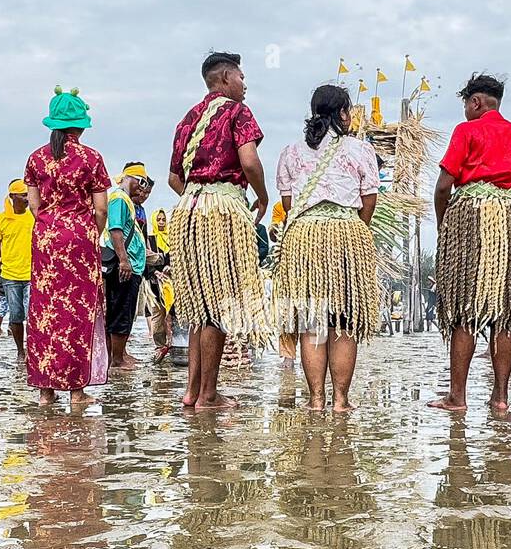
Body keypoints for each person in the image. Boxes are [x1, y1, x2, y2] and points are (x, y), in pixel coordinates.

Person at [168, 51, 271, 409]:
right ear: (226, 77)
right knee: (217, 304)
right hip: (221, 212)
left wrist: (198, 197)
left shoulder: (188, 118)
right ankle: (209, 395)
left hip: (188, 212)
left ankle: (192, 391)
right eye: (242, 77)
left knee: (198, 305)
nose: (246, 84)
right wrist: (262, 195)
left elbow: (172, 178)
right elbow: (249, 160)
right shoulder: (237, 112)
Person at [430, 73, 511, 413]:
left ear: (475, 103)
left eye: (466, 104)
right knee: (505, 315)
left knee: (464, 310)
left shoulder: (467, 131)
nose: (465, 110)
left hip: (469, 220)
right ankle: (500, 398)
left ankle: (457, 398)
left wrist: (444, 224)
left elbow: (444, 186)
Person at [272, 82, 381, 412]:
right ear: (344, 114)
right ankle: (341, 401)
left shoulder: (291, 152)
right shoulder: (360, 150)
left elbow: (289, 203)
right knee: (343, 320)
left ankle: (316, 400)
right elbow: (369, 200)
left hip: (304, 239)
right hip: (346, 234)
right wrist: (352, 231)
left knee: (313, 320)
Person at [25, 86, 111, 406]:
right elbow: (101, 209)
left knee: (46, 311)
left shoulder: (35, 159)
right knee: (78, 311)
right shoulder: (92, 159)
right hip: (80, 239)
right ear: (80, 125)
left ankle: (46, 392)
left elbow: (35, 208)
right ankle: (77, 392)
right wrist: (89, 231)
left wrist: (53, 224)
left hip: (46, 240)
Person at [104, 164, 151, 369]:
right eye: (141, 184)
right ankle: (116, 359)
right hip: (124, 265)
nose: (142, 190)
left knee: (125, 310)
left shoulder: (127, 201)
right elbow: (115, 229)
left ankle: (119, 354)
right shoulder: (118, 198)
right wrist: (124, 260)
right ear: (133, 180)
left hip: (132, 264)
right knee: (120, 310)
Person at [0, 178, 35, 364]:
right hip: (10, 275)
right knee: (16, 315)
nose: (27, 198)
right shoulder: (0, 219)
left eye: (28, 194)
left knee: (33, 315)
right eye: (23, 195)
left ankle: (33, 350)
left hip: (33, 274)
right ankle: (20, 350)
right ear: (12, 197)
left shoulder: (35, 216)